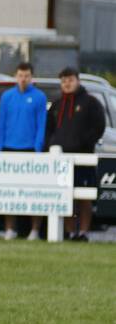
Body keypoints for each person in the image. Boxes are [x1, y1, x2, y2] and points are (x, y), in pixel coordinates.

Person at [47, 67, 107, 241]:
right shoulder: (57, 105)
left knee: (84, 197)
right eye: (64, 81)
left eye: (70, 80)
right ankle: (70, 231)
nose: (67, 84)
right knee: (65, 197)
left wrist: (85, 142)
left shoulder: (90, 102)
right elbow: (49, 128)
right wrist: (51, 144)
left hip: (83, 157)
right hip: (61, 160)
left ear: (77, 81)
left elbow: (99, 126)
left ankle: (83, 232)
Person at [0, 62, 47, 240]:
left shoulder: (39, 97)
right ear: (15, 76)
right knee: (9, 191)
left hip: (30, 150)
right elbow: (1, 123)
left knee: (33, 192)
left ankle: (34, 230)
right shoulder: (7, 97)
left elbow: (41, 125)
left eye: (26, 76)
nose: (23, 79)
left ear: (31, 77)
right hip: (9, 148)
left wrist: (37, 148)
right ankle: (10, 228)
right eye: (20, 75)